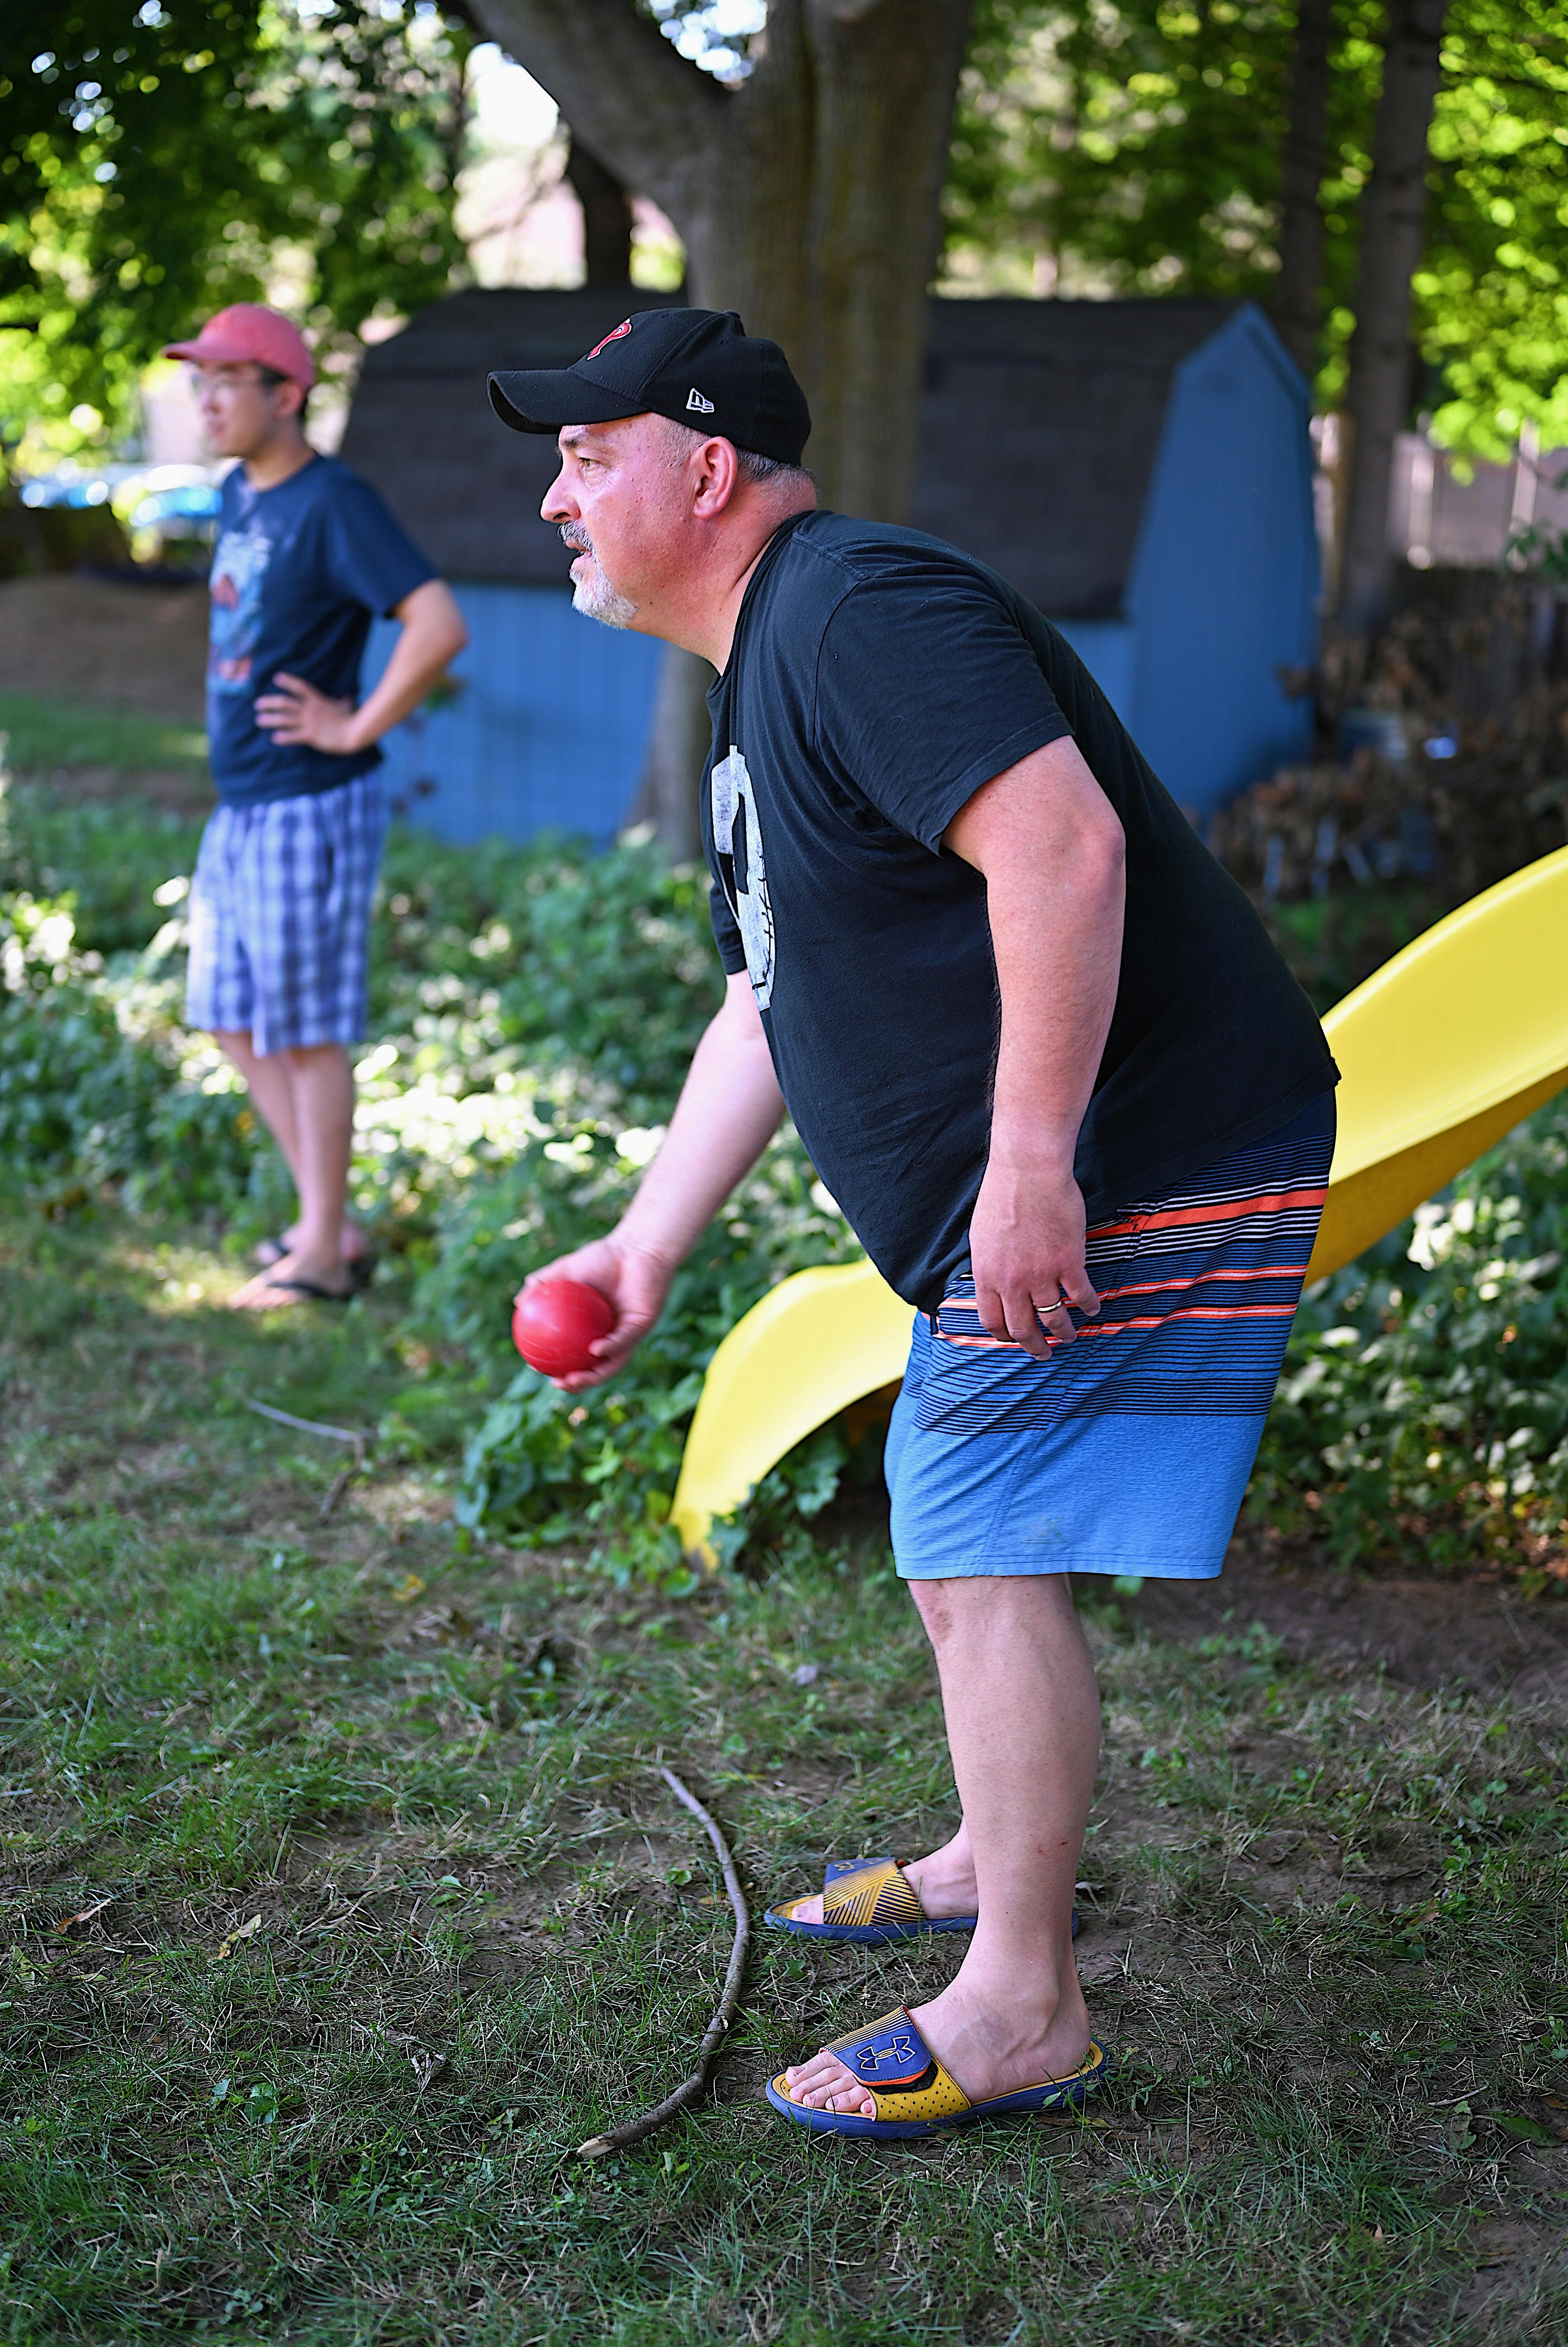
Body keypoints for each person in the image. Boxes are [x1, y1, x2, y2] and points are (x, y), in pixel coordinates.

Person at [487, 308, 1338, 2140]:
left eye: (587, 456)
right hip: (1065, 1159)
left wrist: (1033, 1164)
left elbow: (1064, 848)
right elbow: (767, 1002)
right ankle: (987, 1863)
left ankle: (1026, 2002)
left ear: (707, 470)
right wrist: (643, 1247)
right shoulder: (765, 670)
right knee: (962, 1535)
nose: (554, 497)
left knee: (975, 1528)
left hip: (1147, 1141)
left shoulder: (857, 609)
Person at [163, 303, 467, 1308]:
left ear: (286, 394)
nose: (207, 401)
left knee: (303, 1034)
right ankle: (327, 1224)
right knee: (229, 1019)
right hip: (244, 802)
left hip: (309, 802)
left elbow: (437, 623)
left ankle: (324, 1256)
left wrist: (354, 724)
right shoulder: (238, 495)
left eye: (226, 381)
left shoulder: (337, 501)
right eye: (199, 382)